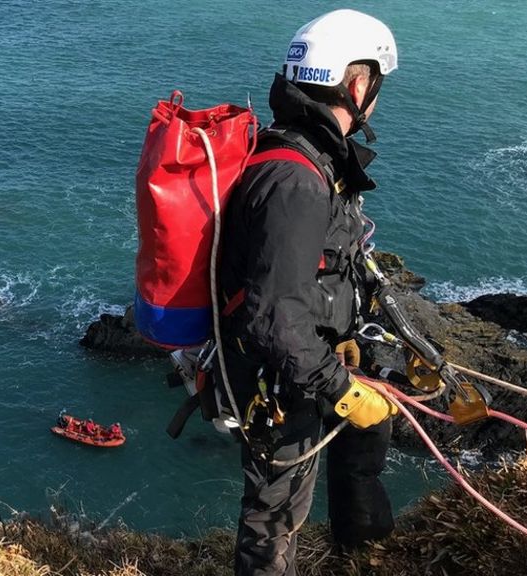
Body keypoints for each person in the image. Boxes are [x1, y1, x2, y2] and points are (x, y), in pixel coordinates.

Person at [217, 10, 400, 575]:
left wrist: (337, 339)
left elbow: (305, 279)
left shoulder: (307, 157)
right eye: (378, 83)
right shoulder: (297, 178)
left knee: (294, 501)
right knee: (275, 518)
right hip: (282, 379)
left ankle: (356, 554)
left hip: (297, 365)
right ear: (357, 81)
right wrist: (339, 387)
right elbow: (274, 318)